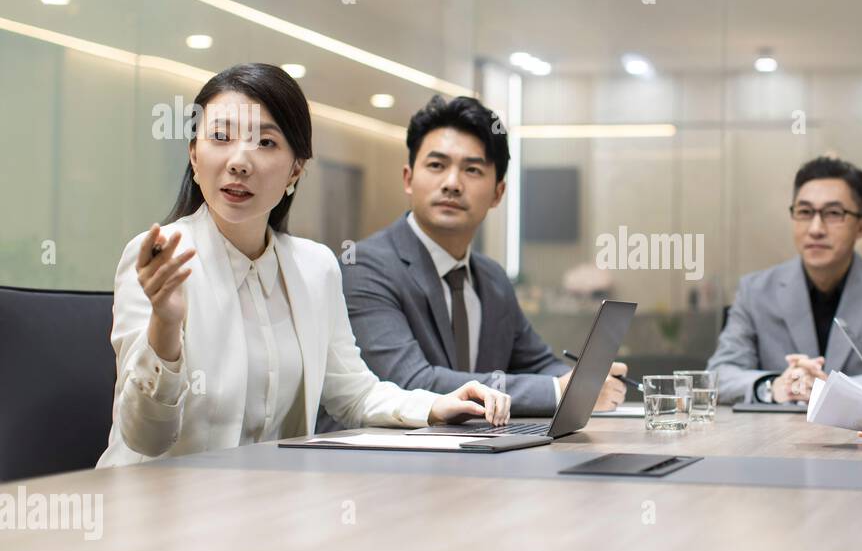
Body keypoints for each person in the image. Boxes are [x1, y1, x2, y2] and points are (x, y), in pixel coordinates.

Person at [99, 64, 508, 468]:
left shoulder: (315, 268)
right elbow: (145, 438)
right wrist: (165, 326)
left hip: (267, 504)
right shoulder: (159, 259)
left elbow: (354, 393)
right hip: (157, 507)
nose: (240, 161)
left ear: (297, 169)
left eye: (266, 142)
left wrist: (437, 406)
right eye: (220, 137)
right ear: (193, 154)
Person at [337, 95, 626, 419]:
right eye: (436, 165)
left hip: (478, 457)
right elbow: (411, 382)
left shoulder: (492, 277)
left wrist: (587, 382)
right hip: (380, 463)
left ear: (498, 193)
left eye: (472, 170)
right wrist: (558, 391)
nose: (452, 184)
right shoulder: (363, 265)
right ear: (408, 178)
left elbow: (536, 362)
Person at [707, 156, 862, 406]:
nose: (815, 228)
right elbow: (718, 376)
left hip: (858, 440)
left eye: (833, 213)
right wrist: (773, 385)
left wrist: (831, 389)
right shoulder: (755, 291)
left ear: (861, 227)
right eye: (804, 212)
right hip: (774, 440)